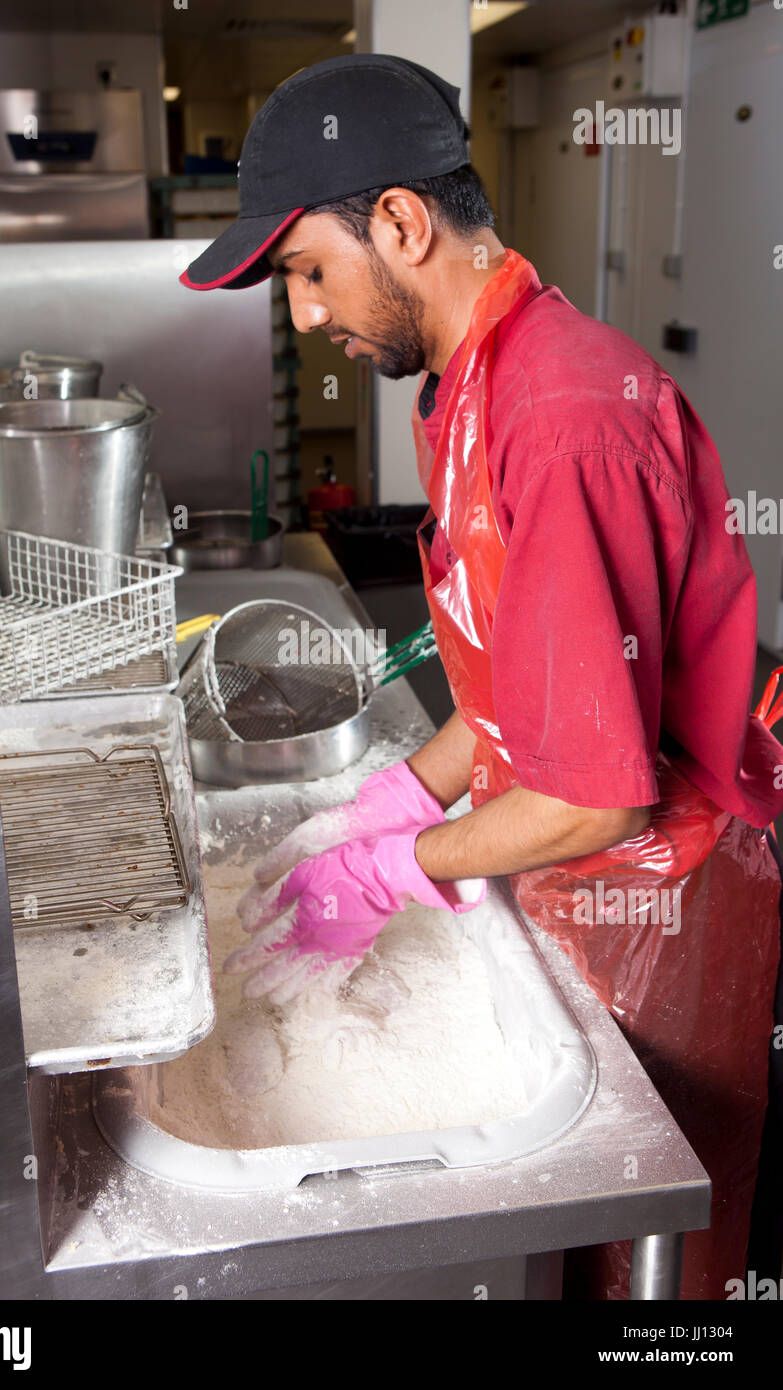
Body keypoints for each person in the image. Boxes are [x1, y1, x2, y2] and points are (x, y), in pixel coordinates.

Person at [180, 53, 783, 1300]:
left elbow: (602, 793)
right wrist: (400, 796)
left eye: (304, 269)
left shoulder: (563, 419)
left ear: (399, 223)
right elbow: (523, 686)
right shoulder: (463, 385)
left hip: (663, 885)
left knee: (648, 1254)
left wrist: (393, 868)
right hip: (563, 852)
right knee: (547, 1245)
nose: (302, 315)